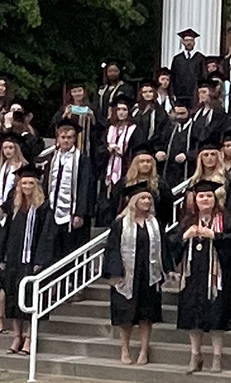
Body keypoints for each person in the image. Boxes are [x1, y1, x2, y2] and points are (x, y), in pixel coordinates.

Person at [172, 179, 231, 373]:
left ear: (215, 198)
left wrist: (215, 236)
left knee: (216, 315)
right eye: (201, 196)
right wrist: (185, 237)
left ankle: (217, 356)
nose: (205, 199)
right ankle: (195, 354)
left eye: (209, 196)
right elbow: (172, 246)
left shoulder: (224, 218)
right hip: (192, 277)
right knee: (192, 315)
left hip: (216, 278)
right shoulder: (188, 220)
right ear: (195, 199)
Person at [103, 181, 170, 365]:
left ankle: (143, 350)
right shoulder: (120, 224)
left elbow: (164, 247)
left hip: (149, 275)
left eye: (149, 198)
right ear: (134, 201)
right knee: (125, 316)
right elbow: (112, 249)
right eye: (143, 198)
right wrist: (115, 272)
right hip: (126, 274)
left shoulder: (155, 223)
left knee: (146, 315)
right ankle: (124, 350)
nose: (147, 201)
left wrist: (169, 269)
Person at [0, 166, 55, 356]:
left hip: (32, 262)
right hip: (14, 260)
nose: (27, 186)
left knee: (31, 299)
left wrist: (41, 261)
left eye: (31, 182)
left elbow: (47, 235)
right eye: (24, 182)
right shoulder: (15, 207)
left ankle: (30, 338)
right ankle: (17, 336)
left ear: (37, 185)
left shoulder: (43, 208)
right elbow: (5, 234)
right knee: (14, 298)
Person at [42, 119, 93, 260]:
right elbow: (47, 182)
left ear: (74, 139)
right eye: (63, 137)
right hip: (53, 208)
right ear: (57, 138)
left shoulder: (82, 160)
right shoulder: (52, 158)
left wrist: (79, 213)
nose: (66, 141)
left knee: (70, 246)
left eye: (69, 137)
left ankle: (70, 280)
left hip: (72, 211)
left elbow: (85, 187)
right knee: (52, 247)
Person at [96, 95, 147, 226]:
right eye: (118, 110)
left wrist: (123, 153)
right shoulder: (110, 129)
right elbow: (100, 149)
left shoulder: (135, 130)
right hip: (109, 168)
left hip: (126, 169)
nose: (121, 112)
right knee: (107, 196)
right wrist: (108, 150)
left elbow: (138, 149)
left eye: (124, 109)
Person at [169, 29, 206, 106]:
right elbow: (172, 77)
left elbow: (204, 76)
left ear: (194, 42)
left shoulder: (200, 58)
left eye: (191, 40)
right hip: (180, 96)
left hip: (195, 96)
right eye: (186, 40)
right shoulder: (177, 59)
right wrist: (172, 94)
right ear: (182, 42)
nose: (189, 43)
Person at [132, 80, 170, 152]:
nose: (147, 94)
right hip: (135, 145)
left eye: (150, 91)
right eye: (144, 92)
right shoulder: (135, 110)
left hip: (152, 146)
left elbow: (162, 130)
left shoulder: (159, 111)